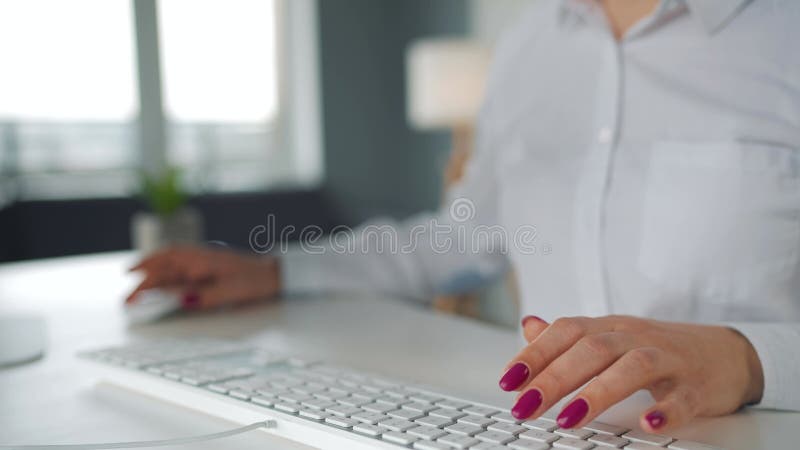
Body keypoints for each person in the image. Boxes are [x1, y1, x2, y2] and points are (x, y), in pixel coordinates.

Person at [127, 0, 800, 433]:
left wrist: (745, 360)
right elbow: (461, 237)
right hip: (535, 432)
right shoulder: (529, 46)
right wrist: (275, 271)